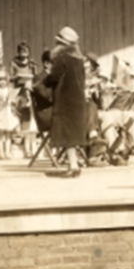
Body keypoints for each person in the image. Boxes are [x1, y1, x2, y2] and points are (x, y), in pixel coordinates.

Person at [37, 27, 88, 177]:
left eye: (57, 41)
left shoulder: (61, 57)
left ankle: (73, 166)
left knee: (67, 133)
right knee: (73, 134)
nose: (55, 43)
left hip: (65, 100)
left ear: (62, 43)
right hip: (78, 100)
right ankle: (74, 165)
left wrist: (40, 84)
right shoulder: (79, 60)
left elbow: (54, 77)